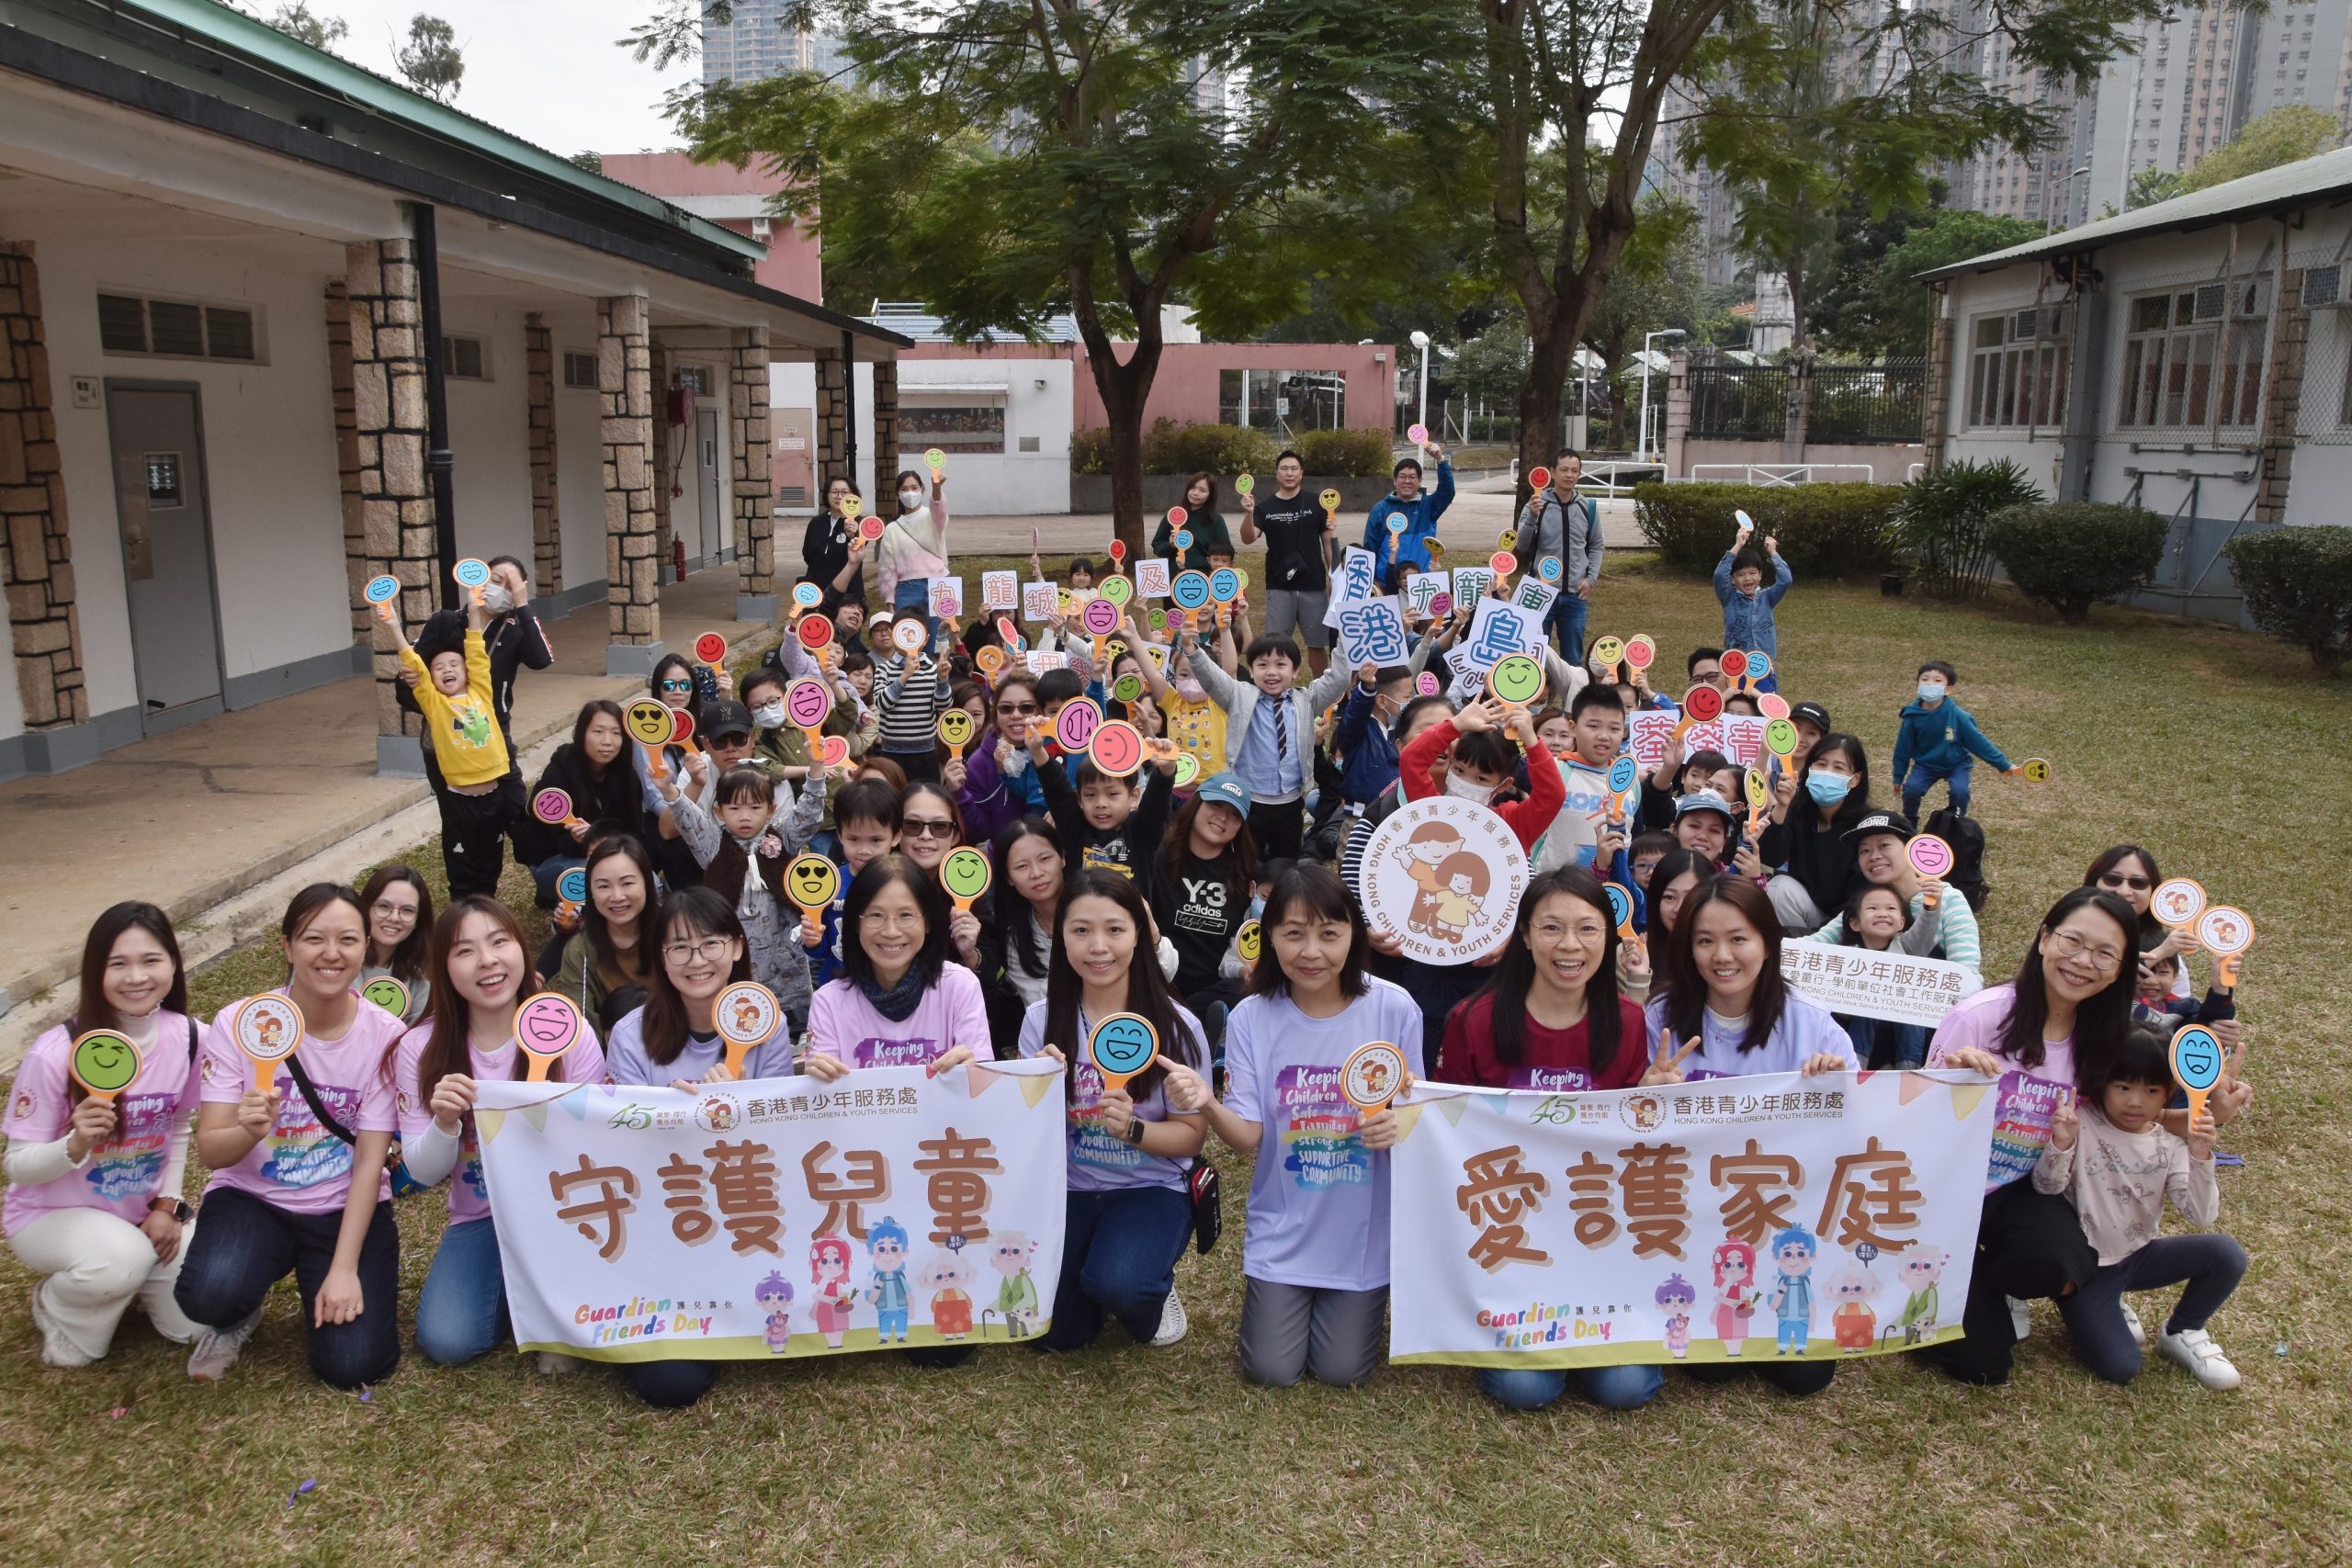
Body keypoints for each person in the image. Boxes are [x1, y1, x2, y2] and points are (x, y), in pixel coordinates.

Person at [1158, 864, 1421, 1388]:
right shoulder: (1252, 1017)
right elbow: (1247, 1139)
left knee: (1341, 1371)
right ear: (1270, 936)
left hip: (1363, 1233)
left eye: (1329, 934)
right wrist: (1208, 1103)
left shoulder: (1394, 1008)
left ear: (1354, 935)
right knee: (1270, 1370)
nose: (1311, 952)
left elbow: (1418, 1118)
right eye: (1294, 934)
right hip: (1284, 1228)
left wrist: (1400, 1125)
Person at [174, 885, 404, 1388]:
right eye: (313, 938)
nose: (331, 953)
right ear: (287, 946)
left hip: (342, 1204)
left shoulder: (386, 1036)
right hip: (253, 1199)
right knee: (209, 1294)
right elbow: (212, 1151)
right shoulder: (240, 1022)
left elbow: (371, 1162)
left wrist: (343, 1269)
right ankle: (238, 1314)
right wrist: (247, 1130)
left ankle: (321, 1271)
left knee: (352, 1366)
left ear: (366, 947)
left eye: (347, 939)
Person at [1920, 886, 2141, 1387]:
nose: (2083, 961)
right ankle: (1953, 1275)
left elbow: (2129, 1113)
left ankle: (1986, 1277)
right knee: (1985, 1364)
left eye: (2105, 953)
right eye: (2072, 941)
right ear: (2044, 939)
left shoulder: (2103, 1039)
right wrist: (1951, 1081)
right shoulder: (1979, 1016)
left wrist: (2207, 1115)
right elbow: (1915, 1120)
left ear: (2119, 969)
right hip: (1939, 1195)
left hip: (2014, 1189)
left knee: (2059, 1261)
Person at [599, 888, 793, 1406]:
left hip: (750, 1207)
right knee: (672, 1383)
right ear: (661, 959)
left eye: (710, 943)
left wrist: (738, 1106)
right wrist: (675, 1116)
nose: (696, 960)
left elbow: (780, 1135)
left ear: (736, 947)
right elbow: (624, 1146)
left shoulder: (767, 1022)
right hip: (669, 1216)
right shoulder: (631, 1035)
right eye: (679, 947)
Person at [396, 897, 607, 1369]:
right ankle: (524, 1293)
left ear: (522, 951)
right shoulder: (419, 1048)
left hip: (573, 1213)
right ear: (443, 967)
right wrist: (444, 1123)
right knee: (448, 1340)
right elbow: (423, 1172)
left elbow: (602, 1141)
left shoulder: (568, 1030)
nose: (487, 961)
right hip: (484, 1218)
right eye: (465, 950)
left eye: (499, 942)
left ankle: (550, 1299)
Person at [6, 904, 205, 1369]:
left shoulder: (192, 1038)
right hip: (49, 1216)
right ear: (96, 970)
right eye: (118, 964)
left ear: (173, 964)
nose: (136, 977)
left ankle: (130, 1278)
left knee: (194, 1325)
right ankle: (56, 1304)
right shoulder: (55, 1052)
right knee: (117, 1267)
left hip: (142, 1215)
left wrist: (168, 1205)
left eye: (151, 960)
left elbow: (178, 1125)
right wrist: (74, 1144)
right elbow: (17, 1165)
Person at [1018, 871, 1210, 1350]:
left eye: (1115, 929)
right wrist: (1035, 1087)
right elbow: (1025, 1133)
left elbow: (1190, 1137)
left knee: (1122, 1285)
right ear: (1060, 936)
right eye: (1081, 930)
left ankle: (1149, 1284)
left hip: (1151, 1187)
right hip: (1069, 1189)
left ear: (1139, 935)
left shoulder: (1177, 1025)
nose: (1098, 946)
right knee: (1053, 1335)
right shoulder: (1041, 1022)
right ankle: (1098, 1276)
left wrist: (1135, 1130)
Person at [2032, 1027, 2245, 1390]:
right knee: (2121, 1366)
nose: (2135, 1101)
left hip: (2139, 1256)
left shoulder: (2169, 1144)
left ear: (2169, 1092)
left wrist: (2200, 1157)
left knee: (2226, 1254)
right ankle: (2096, 1305)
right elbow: (2045, 1186)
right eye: (2123, 1087)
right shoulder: (2081, 1121)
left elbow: (2200, 1216)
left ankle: (2182, 1330)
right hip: (2086, 1271)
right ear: (2103, 1084)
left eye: (2150, 1091)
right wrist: (2061, 1143)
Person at [658, 754, 830, 1031]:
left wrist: (816, 768)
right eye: (734, 808)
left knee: (796, 1021)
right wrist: (669, 790)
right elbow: (689, 821)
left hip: (784, 948)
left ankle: (797, 1037)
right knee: (742, 1016)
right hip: (735, 951)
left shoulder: (782, 836)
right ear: (719, 811)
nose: (745, 816)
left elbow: (807, 815)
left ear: (771, 809)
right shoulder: (713, 843)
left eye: (755, 807)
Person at [1644, 876, 1857, 1082]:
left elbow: (1859, 1100)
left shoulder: (1812, 1022)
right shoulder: (1659, 1016)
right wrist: (1646, 1094)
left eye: (1738, 939)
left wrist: (1840, 1089)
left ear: (1768, 945)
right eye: (1706, 941)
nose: (1722, 956)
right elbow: (1638, 1103)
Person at [383, 588, 515, 899]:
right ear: (431, 678)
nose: (447, 670)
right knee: (461, 863)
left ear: (467, 672)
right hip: (459, 803)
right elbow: (414, 664)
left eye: (454, 664)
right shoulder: (435, 705)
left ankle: (486, 905)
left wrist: (474, 611)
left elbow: (476, 652)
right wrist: (393, 626)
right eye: (439, 668)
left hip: (493, 797)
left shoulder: (481, 692)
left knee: (491, 861)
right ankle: (462, 907)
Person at [804, 854, 990, 1075]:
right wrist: (817, 1082)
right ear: (855, 922)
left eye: (905, 915)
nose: (891, 932)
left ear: (928, 922)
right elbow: (826, 1093)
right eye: (876, 915)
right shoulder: (828, 1002)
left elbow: (983, 1084)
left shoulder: (960, 986)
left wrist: (976, 1071)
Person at [1803, 809, 1982, 979]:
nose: (1874, 856)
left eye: (1884, 845)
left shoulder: (1949, 900)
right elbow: (1818, 942)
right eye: (1864, 850)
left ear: (1910, 849)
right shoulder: (1865, 902)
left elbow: (1967, 973)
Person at [1150, 773, 1257, 1031]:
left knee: (1246, 991)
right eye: (1216, 805)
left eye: (1234, 814)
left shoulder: (1245, 875)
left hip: (1212, 988)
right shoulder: (1158, 855)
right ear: (1196, 804)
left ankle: (1184, 1021)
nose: (1223, 817)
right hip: (1159, 979)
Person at [519, 700, 646, 908]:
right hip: (556, 859)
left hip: (610, 855)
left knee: (651, 884)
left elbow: (636, 834)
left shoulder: (628, 777)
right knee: (592, 879)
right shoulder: (558, 773)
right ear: (582, 733)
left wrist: (602, 839)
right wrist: (580, 841)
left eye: (616, 733)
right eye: (598, 731)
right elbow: (549, 839)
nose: (607, 741)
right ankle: (559, 899)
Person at [1756, 733, 1873, 934]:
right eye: (1821, 764)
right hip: (1808, 910)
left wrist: (1823, 936)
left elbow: (1859, 896)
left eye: (1838, 768)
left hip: (1852, 920)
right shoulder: (1799, 811)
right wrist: (1781, 807)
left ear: (1855, 779)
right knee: (1779, 888)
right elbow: (1770, 857)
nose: (1827, 772)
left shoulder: (1865, 826)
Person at [1029, 722, 1176, 880]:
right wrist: (1037, 752)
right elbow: (1058, 791)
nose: (1101, 803)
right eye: (1090, 795)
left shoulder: (1142, 832)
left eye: (1112, 794)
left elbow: (1156, 805)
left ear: (1133, 797)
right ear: (1079, 798)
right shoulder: (1075, 829)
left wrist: (1166, 771)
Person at [1240, 451, 1334, 672]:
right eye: (1284, 468)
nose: (1289, 473)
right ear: (1276, 473)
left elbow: (1328, 544)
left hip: (1313, 584)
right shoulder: (1265, 507)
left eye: (1294, 468)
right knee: (1277, 645)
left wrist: (1334, 576)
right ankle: (1278, 687)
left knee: (1317, 644)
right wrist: (1248, 513)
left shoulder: (1317, 502)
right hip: (1279, 584)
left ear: (1301, 473)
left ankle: (1321, 689)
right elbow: (1248, 538)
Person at [1893, 660, 2018, 820]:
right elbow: (1903, 748)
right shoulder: (1912, 716)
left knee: (1960, 792)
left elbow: (1979, 743)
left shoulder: (1959, 716)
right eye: (1925, 679)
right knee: (1912, 790)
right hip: (1926, 765)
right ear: (1917, 685)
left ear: (1948, 690)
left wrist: (2003, 764)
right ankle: (1910, 822)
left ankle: (1955, 822)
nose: (1930, 684)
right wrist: (1898, 776)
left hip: (1956, 764)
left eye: (1937, 680)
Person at [1517, 452, 1605, 661]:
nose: (1569, 475)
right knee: (1534, 656)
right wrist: (1532, 517)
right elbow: (1522, 545)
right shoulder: (1536, 505)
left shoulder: (1588, 507)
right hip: (1540, 593)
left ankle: (1571, 686)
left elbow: (1596, 545)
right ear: (1552, 473)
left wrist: (1591, 579)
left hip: (1575, 595)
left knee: (1573, 659)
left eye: (1574, 471)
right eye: (1564, 470)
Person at [1361, 447, 1455, 590]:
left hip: (1422, 583)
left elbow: (1447, 492)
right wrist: (1373, 581)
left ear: (1420, 481)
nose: (1407, 481)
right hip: (1387, 583)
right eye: (1402, 477)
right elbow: (1370, 547)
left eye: (1412, 477)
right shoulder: (1380, 509)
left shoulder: (1428, 506)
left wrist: (1440, 460)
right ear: (1395, 480)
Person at [1713, 519, 1792, 686]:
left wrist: (1773, 552)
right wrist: (1737, 546)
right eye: (1740, 574)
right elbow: (1720, 575)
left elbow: (1786, 580)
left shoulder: (1767, 597)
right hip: (1735, 666)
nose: (1747, 578)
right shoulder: (1729, 598)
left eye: (1752, 573)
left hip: (1764, 665)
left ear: (1760, 575)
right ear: (1732, 579)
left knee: (1763, 700)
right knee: (1737, 700)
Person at [875, 467, 949, 635]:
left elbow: (939, 508)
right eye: (904, 489)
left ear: (922, 489)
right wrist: (889, 602)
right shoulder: (892, 528)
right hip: (907, 589)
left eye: (914, 488)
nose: (910, 493)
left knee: (937, 638)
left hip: (939, 585)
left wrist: (937, 488)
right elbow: (887, 568)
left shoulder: (931, 516)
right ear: (898, 493)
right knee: (909, 638)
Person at [357, 864, 434, 1024]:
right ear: (365, 908)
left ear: (418, 920)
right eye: (384, 906)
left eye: (407, 910)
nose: (394, 918)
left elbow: (418, 1034)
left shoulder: (420, 977)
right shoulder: (337, 960)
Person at [799, 474, 866, 615]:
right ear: (827, 495)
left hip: (847, 594)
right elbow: (807, 555)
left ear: (853, 495)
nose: (839, 496)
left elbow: (858, 552)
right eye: (834, 492)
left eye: (844, 492)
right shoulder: (816, 523)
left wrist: (852, 536)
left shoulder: (860, 524)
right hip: (815, 592)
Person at [1149, 471, 1234, 573]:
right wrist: (1171, 545)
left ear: (1210, 495)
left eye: (1202, 490)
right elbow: (1157, 547)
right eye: (1193, 488)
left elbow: (1226, 553)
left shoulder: (1216, 520)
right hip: (1175, 574)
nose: (1195, 493)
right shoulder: (1174, 515)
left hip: (1205, 576)